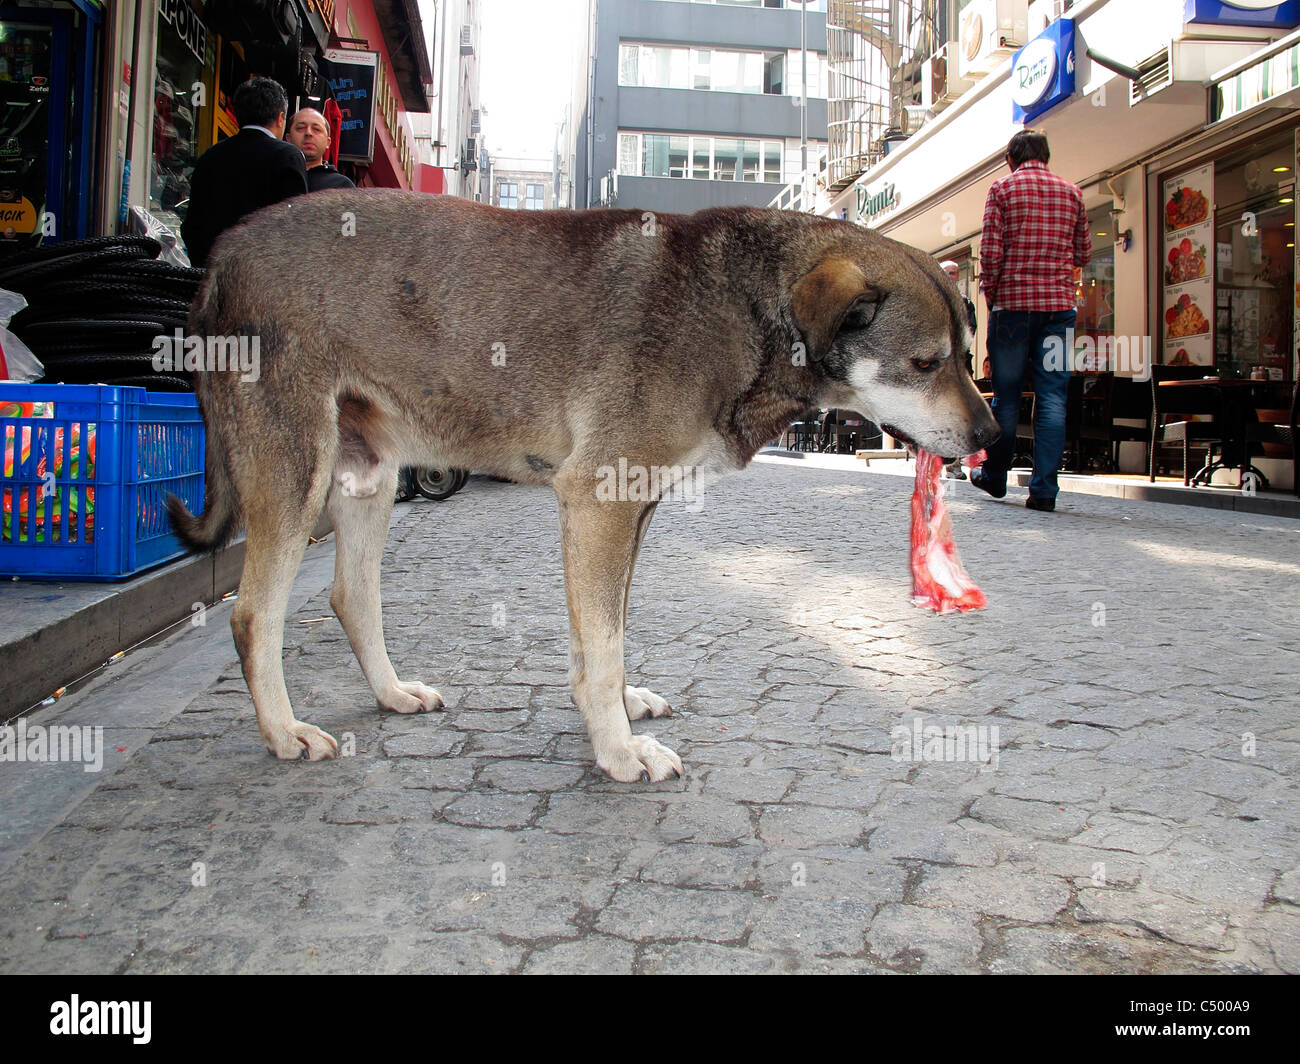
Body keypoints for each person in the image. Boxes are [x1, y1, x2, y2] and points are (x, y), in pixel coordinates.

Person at [970, 129, 1089, 513]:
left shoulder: (1001, 190)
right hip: (1057, 312)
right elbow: (1083, 252)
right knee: (1053, 396)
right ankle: (1044, 490)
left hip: (1012, 312)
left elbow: (990, 253)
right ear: (1047, 156)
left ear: (1011, 160)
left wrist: (994, 294)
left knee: (1006, 395)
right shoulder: (1072, 193)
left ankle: (996, 474)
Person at [180, 77, 308, 268]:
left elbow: (192, 226)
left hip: (211, 276)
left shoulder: (210, 156)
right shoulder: (287, 155)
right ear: (280, 118)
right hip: (259, 281)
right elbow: (295, 227)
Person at [938, 258, 978, 479]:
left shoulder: (966, 303)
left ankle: (954, 464)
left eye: (954, 273)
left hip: (960, 367)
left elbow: (970, 332)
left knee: (960, 415)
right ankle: (935, 462)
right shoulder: (930, 302)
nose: (951, 277)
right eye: (947, 273)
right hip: (937, 369)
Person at [286, 107, 356, 192]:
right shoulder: (273, 177)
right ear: (288, 138)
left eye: (316, 129)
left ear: (328, 142)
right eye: (301, 128)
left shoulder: (342, 186)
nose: (308, 133)